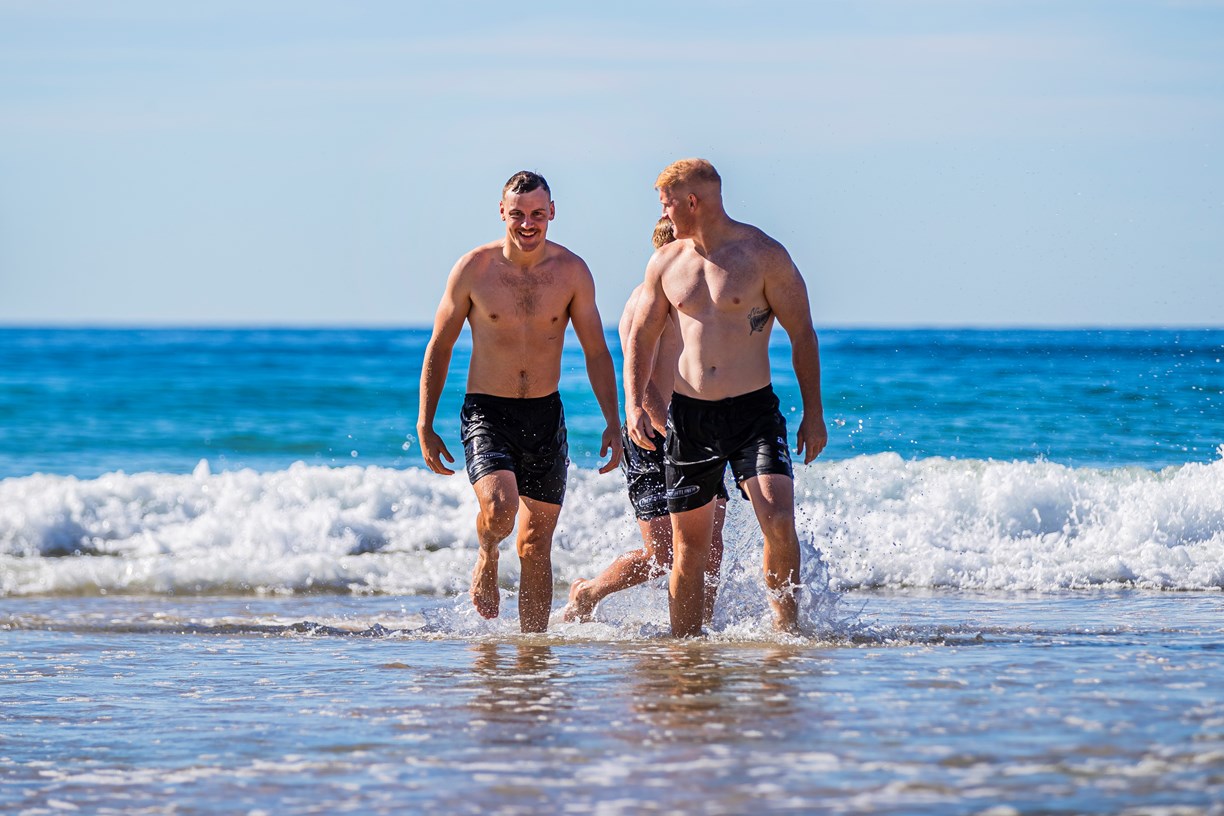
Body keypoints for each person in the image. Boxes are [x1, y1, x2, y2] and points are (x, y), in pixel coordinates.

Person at [625, 159, 827, 637]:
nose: (665, 214)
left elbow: (803, 334)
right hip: (689, 418)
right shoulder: (667, 263)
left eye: (667, 203)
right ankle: (685, 648)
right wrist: (635, 403)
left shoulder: (764, 255)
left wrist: (813, 413)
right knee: (689, 546)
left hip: (753, 413)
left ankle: (786, 632)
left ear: (692, 201)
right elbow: (640, 337)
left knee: (778, 518)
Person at [417, 170, 623, 633]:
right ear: (502, 213)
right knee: (501, 507)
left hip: (545, 414)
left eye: (536, 214)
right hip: (488, 411)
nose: (527, 224)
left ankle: (533, 655)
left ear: (551, 212)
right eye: (517, 214)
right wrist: (425, 423)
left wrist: (614, 421)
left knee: (535, 545)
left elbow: (595, 350)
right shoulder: (475, 269)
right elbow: (440, 345)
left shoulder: (572, 272)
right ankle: (487, 553)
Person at [563, 218, 727, 625]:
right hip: (653, 435)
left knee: (711, 544)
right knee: (663, 555)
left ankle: (701, 628)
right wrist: (671, 431)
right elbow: (642, 381)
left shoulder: (696, 302)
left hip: (698, 432)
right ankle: (588, 594)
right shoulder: (644, 302)